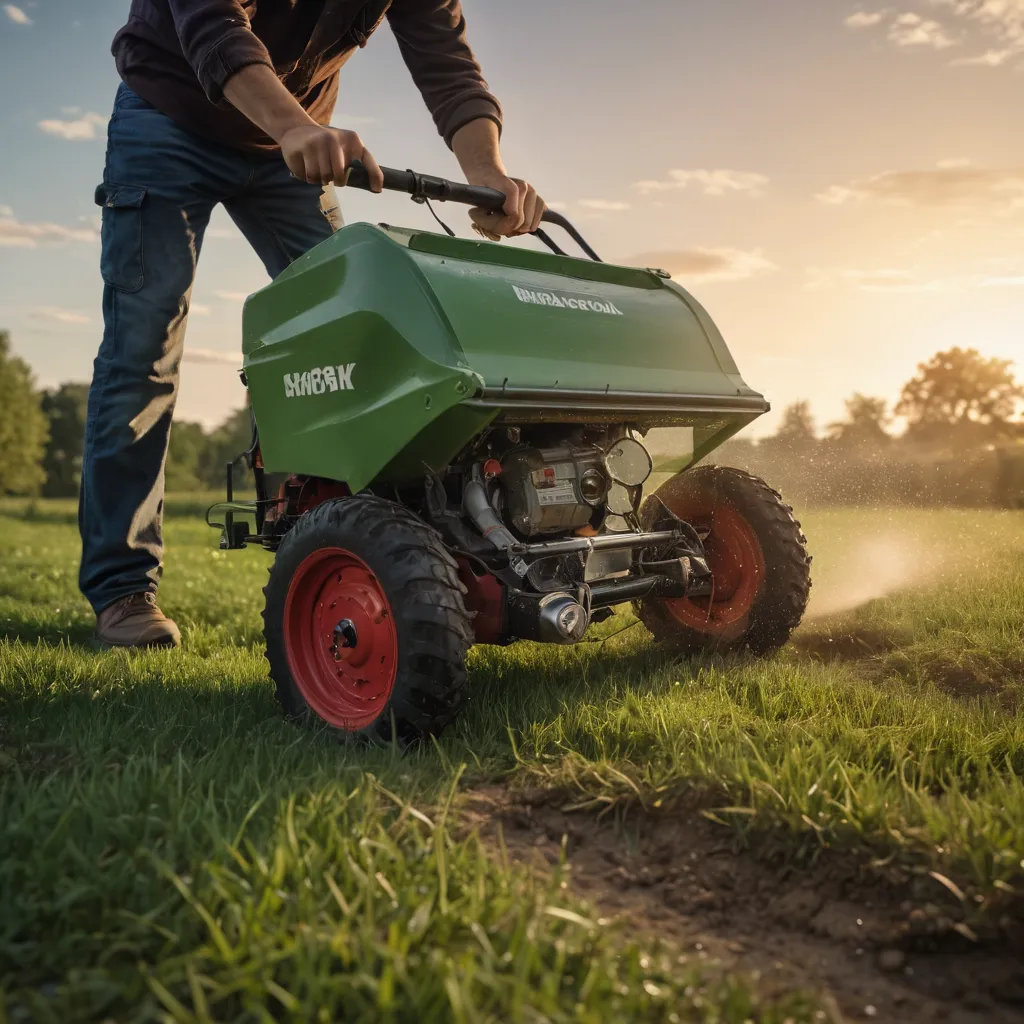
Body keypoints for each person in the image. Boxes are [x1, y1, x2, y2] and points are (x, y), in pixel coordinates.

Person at [79, 0, 546, 649]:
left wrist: (487, 174)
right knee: (142, 353)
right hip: (169, 117)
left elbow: (448, 67)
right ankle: (124, 588)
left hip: (286, 147)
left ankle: (401, 555)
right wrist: (295, 126)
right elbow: (211, 22)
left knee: (368, 336)